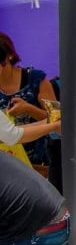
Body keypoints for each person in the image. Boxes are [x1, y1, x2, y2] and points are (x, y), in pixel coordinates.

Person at [0, 32, 58, 166]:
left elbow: (57, 117)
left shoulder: (36, 79)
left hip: (40, 160)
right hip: (7, 162)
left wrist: (29, 109)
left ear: (9, 56)